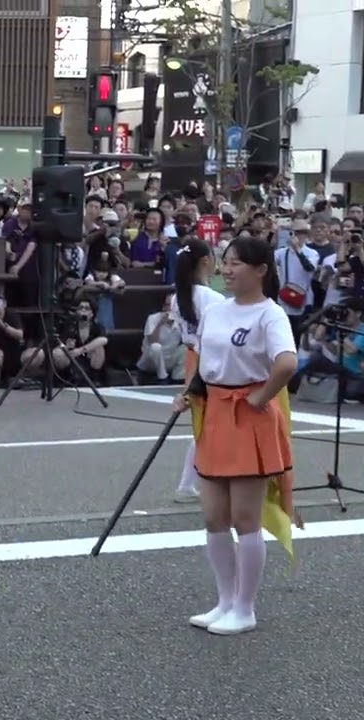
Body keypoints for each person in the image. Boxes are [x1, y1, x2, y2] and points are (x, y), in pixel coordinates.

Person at [172, 236, 298, 636]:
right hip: (215, 413)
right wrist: (189, 393)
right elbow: (204, 362)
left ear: (261, 270)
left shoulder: (270, 314)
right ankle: (224, 601)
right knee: (214, 516)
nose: (227, 270)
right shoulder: (215, 310)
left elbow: (286, 362)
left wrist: (260, 397)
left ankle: (245, 608)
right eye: (225, 262)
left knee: (245, 519)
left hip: (248, 416)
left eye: (236, 263)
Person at [170, 239, 225, 503]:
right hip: (212, 364)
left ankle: (187, 484)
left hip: (193, 360)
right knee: (212, 427)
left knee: (203, 426)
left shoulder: (177, 298)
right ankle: (199, 483)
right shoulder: (214, 299)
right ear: (206, 261)